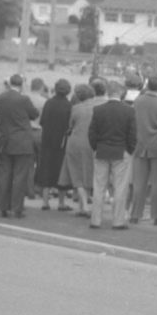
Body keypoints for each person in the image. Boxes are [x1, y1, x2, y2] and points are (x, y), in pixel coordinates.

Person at [87, 81, 136, 230]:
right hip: (121, 151)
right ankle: (118, 221)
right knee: (120, 187)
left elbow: (92, 133)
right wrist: (130, 150)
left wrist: (95, 147)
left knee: (99, 186)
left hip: (102, 149)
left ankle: (95, 220)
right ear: (121, 93)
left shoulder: (98, 110)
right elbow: (132, 134)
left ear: (108, 92)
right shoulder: (129, 111)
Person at [0, 74, 39, 219]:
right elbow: (34, 114)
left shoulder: (1, 97)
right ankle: (16, 208)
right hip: (21, 141)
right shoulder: (24, 99)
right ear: (22, 85)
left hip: (5, 140)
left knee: (5, 175)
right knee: (20, 176)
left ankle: (2, 207)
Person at [130, 75, 157, 225]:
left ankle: (135, 214)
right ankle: (156, 215)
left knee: (139, 183)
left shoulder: (138, 101)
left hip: (140, 144)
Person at [59, 83, 98, 217]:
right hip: (91, 143)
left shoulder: (75, 108)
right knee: (88, 171)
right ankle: (84, 205)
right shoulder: (97, 108)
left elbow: (70, 126)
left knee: (76, 174)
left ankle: (84, 206)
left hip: (75, 142)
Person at [37, 78, 72, 211]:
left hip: (47, 141)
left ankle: (45, 201)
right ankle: (61, 203)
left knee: (46, 169)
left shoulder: (49, 103)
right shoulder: (69, 106)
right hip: (62, 142)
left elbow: (42, 121)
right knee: (61, 171)